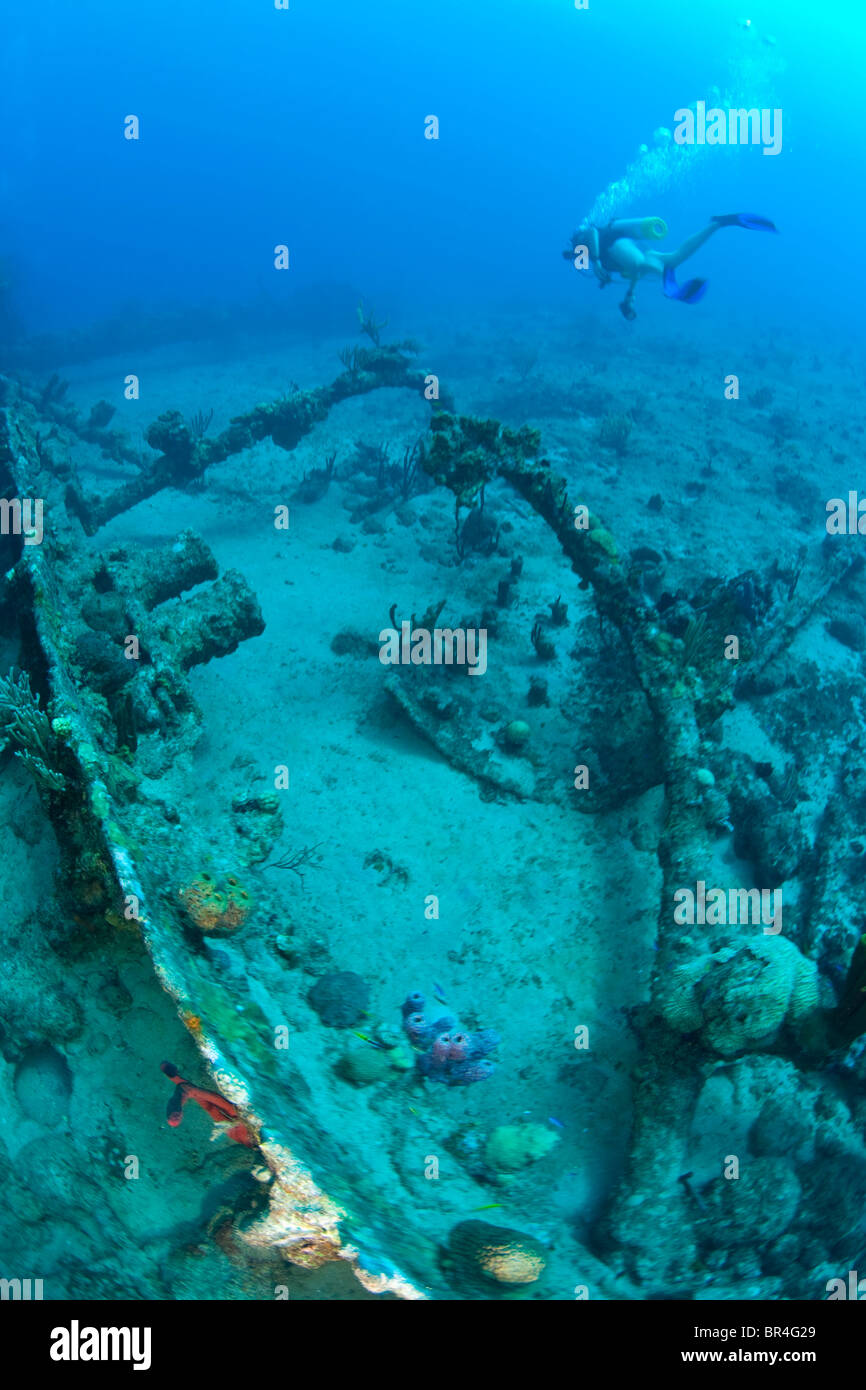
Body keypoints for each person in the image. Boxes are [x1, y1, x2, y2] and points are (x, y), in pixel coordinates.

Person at [564, 213, 777, 320]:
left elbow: (592, 231)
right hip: (630, 249)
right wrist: (629, 296)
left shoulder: (582, 239)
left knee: (644, 265)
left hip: (616, 244)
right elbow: (633, 271)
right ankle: (721, 222)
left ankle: (671, 284)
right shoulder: (594, 259)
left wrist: (598, 260)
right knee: (674, 258)